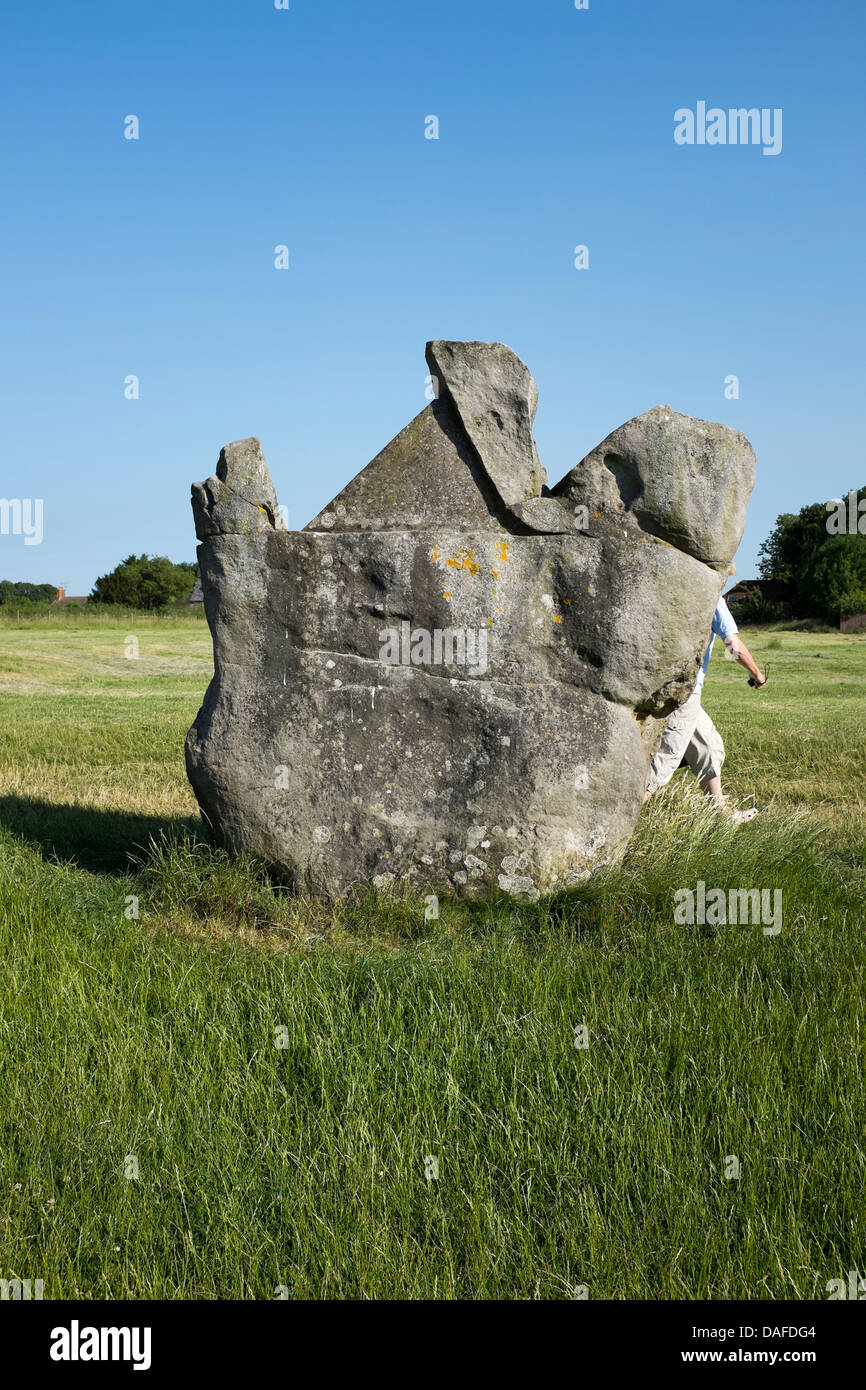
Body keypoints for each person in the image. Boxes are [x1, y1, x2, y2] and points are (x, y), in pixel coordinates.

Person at [643, 590, 766, 823]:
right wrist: (757, 674)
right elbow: (732, 645)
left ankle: (721, 815)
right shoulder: (711, 597)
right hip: (683, 692)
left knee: (709, 746)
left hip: (671, 689)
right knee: (666, 759)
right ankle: (612, 826)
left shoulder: (678, 589)